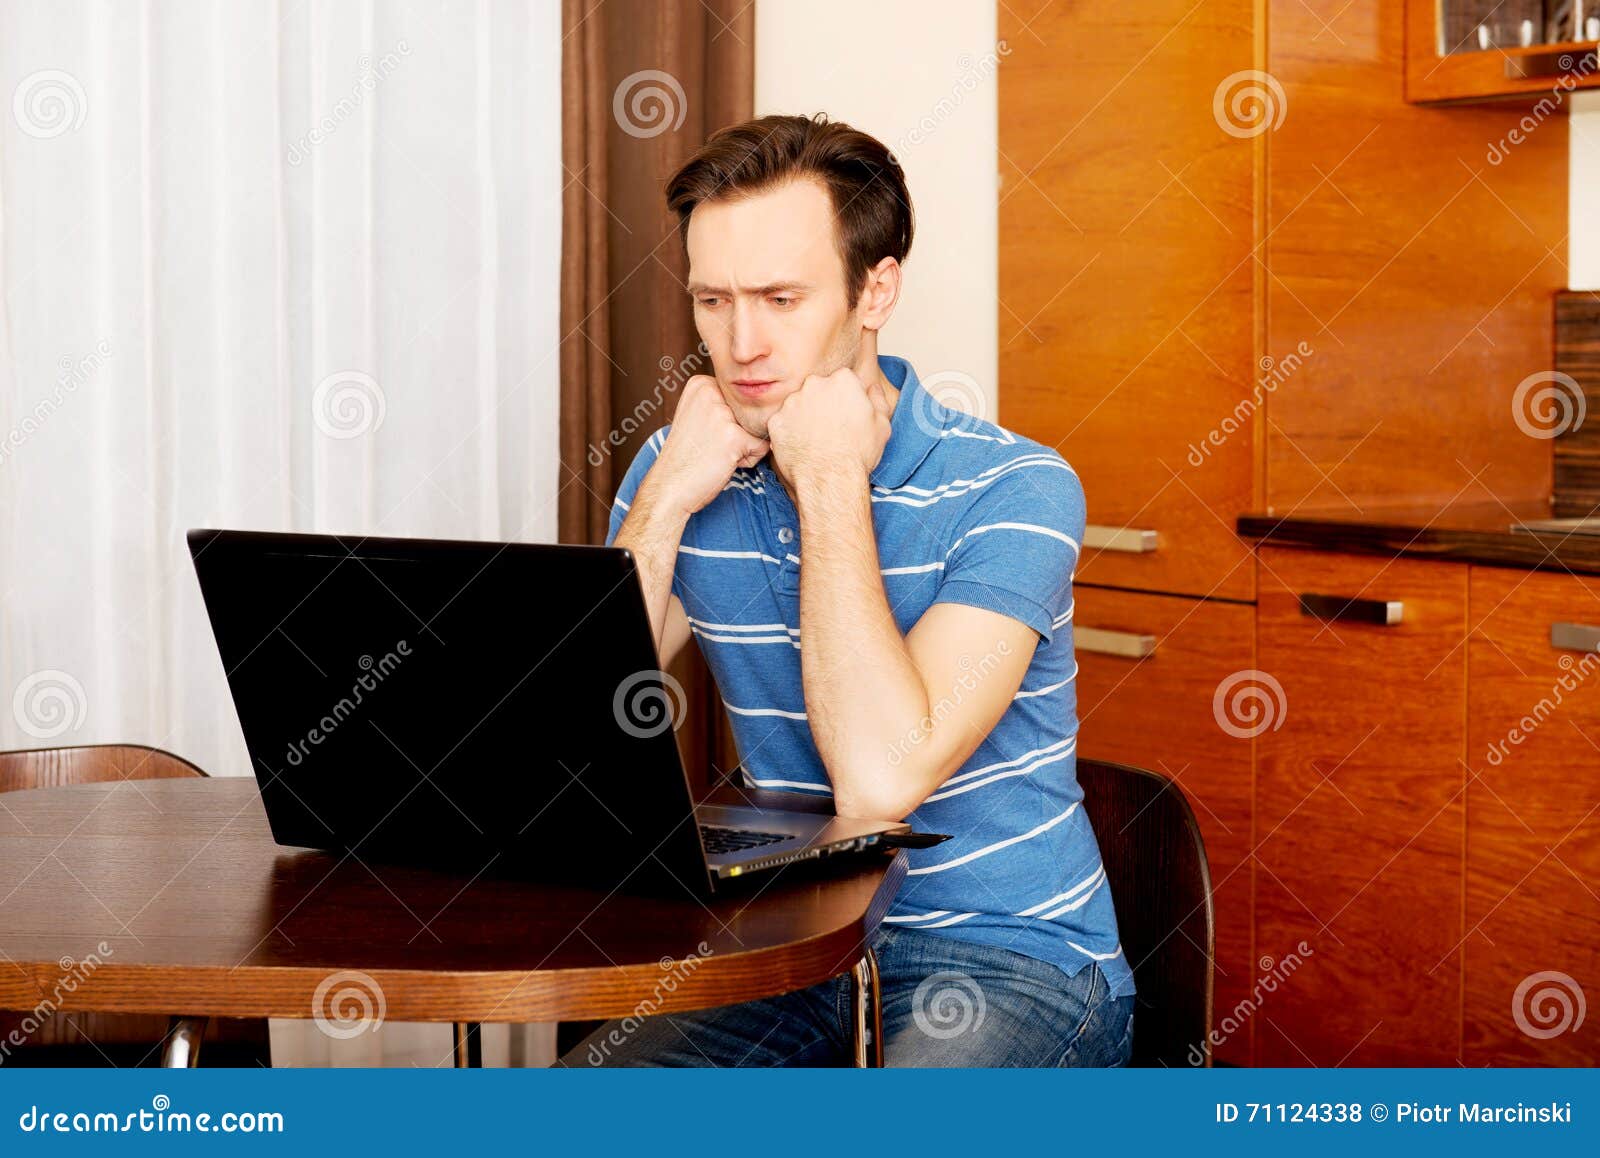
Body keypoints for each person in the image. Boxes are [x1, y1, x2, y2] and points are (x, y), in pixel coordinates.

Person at [564, 113, 1134, 1067]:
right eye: (712, 301)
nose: (739, 344)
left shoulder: (1018, 488)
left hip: (1007, 955)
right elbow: (574, 737)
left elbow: (879, 781)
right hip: (784, 944)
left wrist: (829, 481)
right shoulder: (684, 466)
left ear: (876, 290)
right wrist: (664, 495)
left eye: (781, 299)